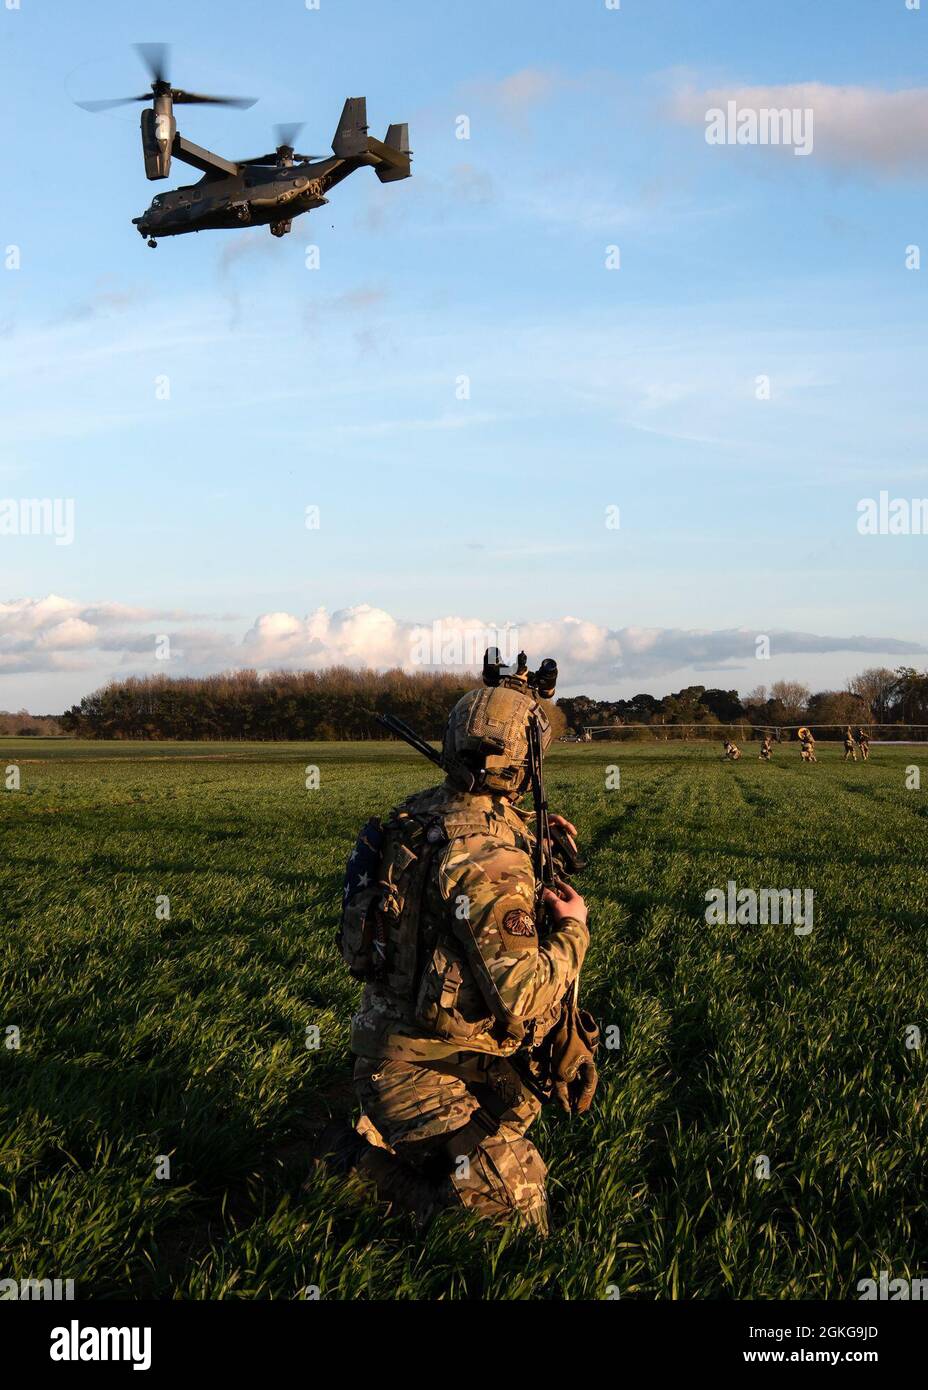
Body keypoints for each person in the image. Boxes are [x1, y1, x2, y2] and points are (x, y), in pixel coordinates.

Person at [315, 662, 595, 1235]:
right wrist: (574, 930)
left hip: (429, 1046)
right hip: (415, 1066)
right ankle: (352, 1171)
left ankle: (421, 1145)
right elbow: (521, 995)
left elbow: (457, 849)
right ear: (524, 761)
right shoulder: (487, 857)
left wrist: (525, 838)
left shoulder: (414, 817)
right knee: (514, 1209)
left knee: (528, 1101)